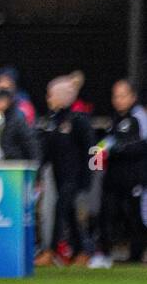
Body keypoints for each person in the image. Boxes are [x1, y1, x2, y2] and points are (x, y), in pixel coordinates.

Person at [36, 76, 94, 266]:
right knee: (68, 213)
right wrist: (38, 174)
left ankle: (51, 251)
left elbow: (93, 150)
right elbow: (45, 152)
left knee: (60, 210)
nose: (48, 98)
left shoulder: (79, 120)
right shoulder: (51, 121)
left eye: (51, 94)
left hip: (75, 177)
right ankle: (82, 251)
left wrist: (90, 177)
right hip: (58, 176)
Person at [93, 79, 147, 266]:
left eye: (123, 95)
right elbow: (102, 146)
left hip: (133, 177)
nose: (118, 100)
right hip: (113, 178)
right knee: (106, 214)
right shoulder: (113, 119)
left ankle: (137, 255)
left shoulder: (138, 117)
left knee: (133, 216)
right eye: (115, 96)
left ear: (132, 97)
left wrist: (118, 149)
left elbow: (140, 145)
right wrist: (96, 162)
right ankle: (104, 254)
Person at [0, 85, 39, 162]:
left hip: (16, 163)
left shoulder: (17, 117)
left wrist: (36, 164)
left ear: (6, 101)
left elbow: (30, 142)